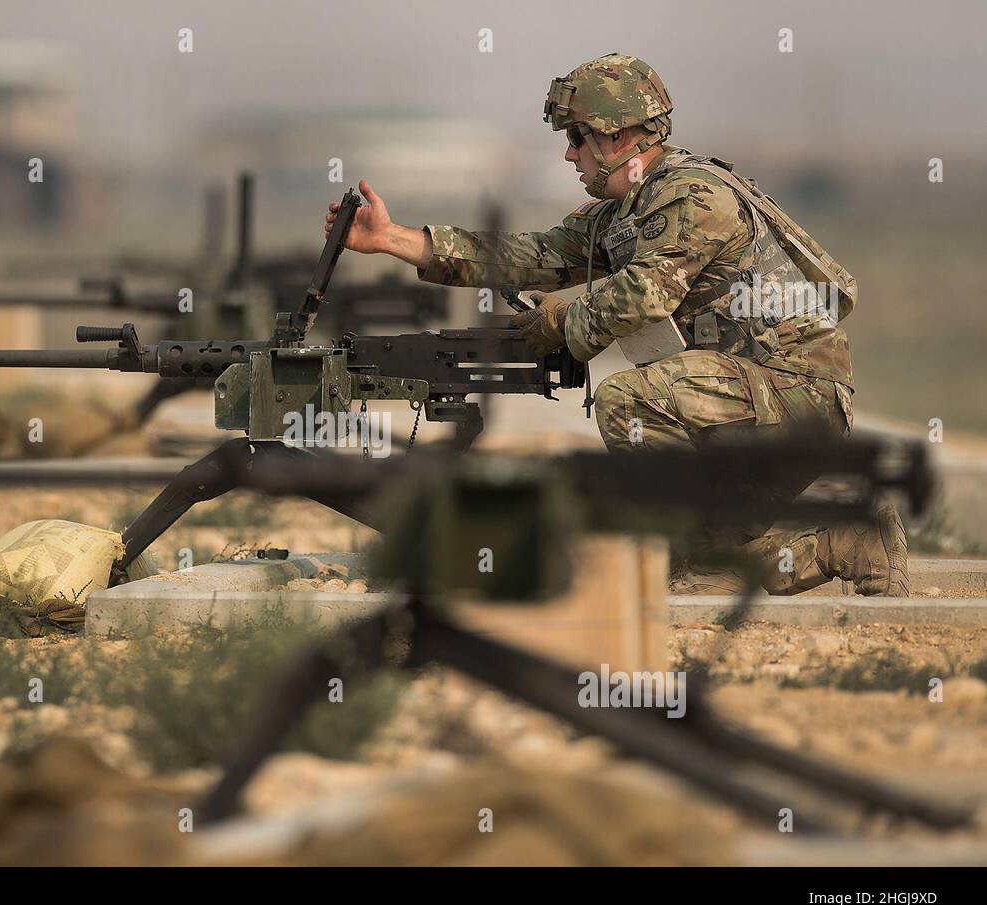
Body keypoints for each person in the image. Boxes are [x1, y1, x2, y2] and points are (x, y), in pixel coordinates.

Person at [325, 52, 907, 596]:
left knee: (625, 399)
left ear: (618, 137)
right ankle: (846, 544)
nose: (569, 155)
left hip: (796, 397)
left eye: (577, 139)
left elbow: (642, 295)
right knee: (707, 563)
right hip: (742, 403)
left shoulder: (693, 198)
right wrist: (396, 241)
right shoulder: (624, 213)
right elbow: (529, 256)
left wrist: (561, 321)